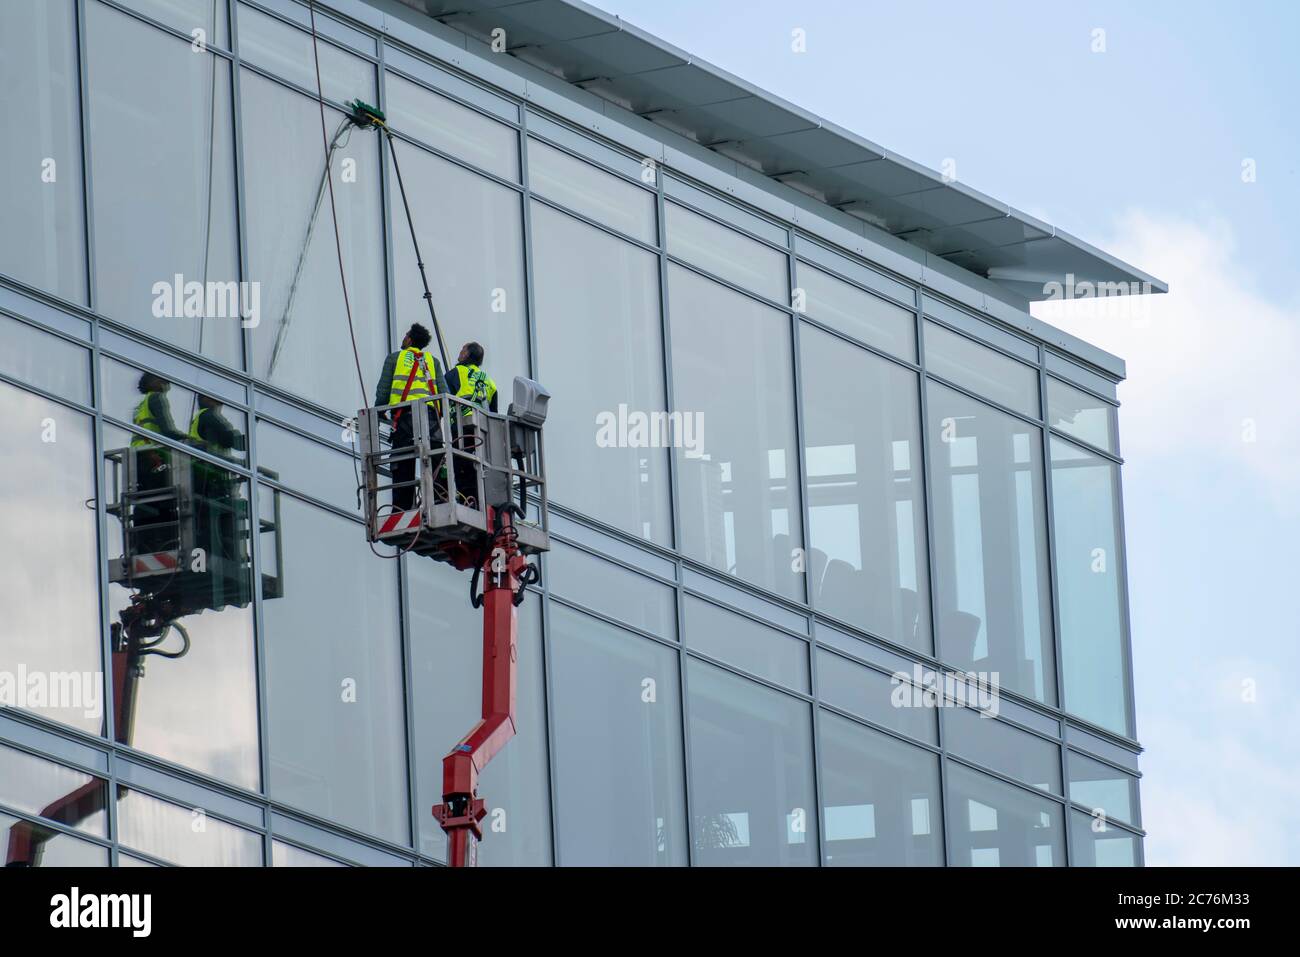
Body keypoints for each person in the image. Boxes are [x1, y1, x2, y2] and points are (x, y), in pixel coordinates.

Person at [374, 323, 442, 511]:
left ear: (410, 339)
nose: (403, 338)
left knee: (402, 461)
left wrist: (378, 412)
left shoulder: (395, 358)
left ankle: (402, 508)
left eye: (405, 335)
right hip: (430, 420)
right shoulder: (433, 361)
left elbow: (383, 392)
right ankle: (440, 502)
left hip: (405, 418)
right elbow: (444, 394)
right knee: (436, 459)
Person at [188, 396, 248, 593]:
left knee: (206, 524)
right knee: (218, 523)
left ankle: (209, 560)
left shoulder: (199, 418)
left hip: (203, 480)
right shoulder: (210, 417)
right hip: (211, 481)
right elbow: (234, 440)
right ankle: (223, 560)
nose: (220, 403)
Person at [132, 374, 189, 550]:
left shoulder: (141, 404)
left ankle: (142, 543)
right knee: (166, 497)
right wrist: (189, 440)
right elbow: (167, 430)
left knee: (146, 499)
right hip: (152, 455)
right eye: (163, 381)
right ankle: (166, 541)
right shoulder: (157, 398)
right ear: (152, 383)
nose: (166, 386)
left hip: (139, 457)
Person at [443, 342, 497, 506]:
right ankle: (478, 500)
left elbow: (441, 399)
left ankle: (466, 499)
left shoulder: (455, 373)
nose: (459, 353)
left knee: (461, 465)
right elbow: (493, 414)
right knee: (478, 468)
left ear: (466, 355)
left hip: (461, 427)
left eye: (462, 350)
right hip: (482, 432)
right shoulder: (490, 382)